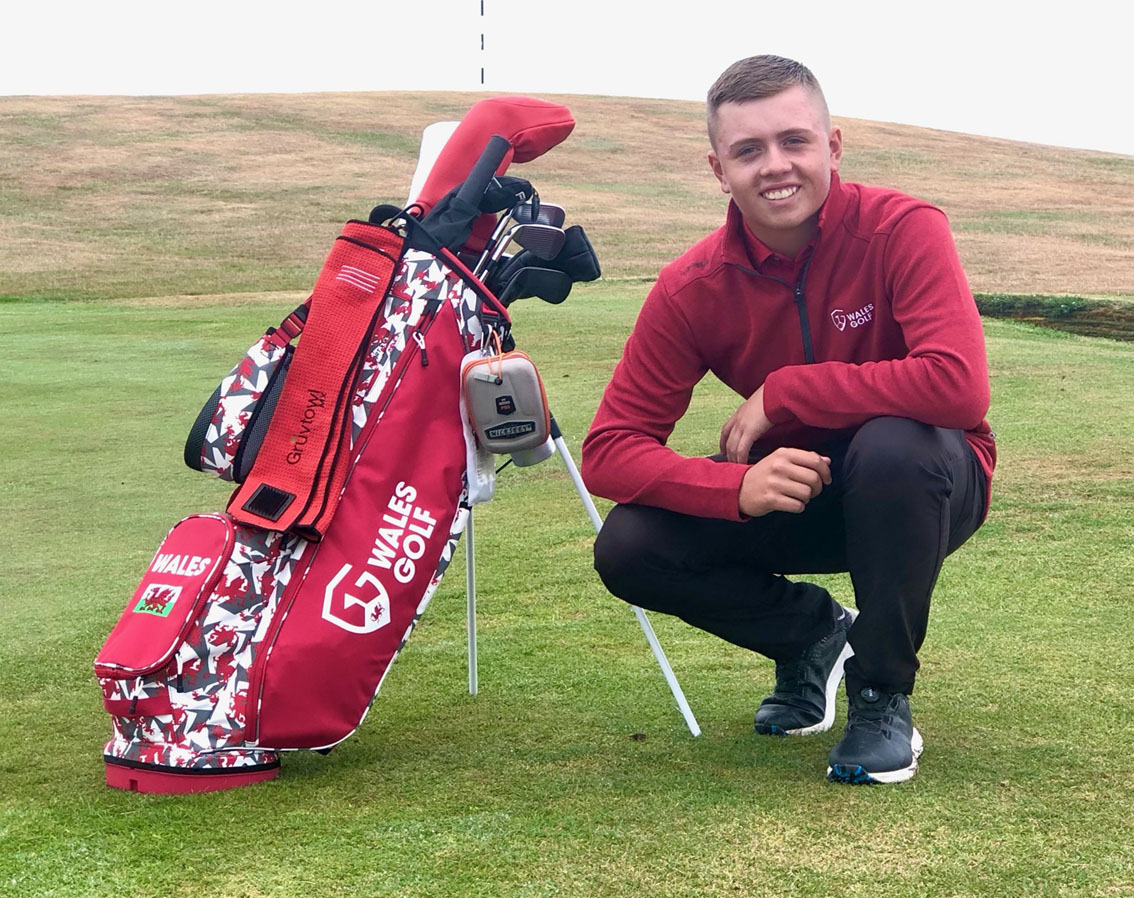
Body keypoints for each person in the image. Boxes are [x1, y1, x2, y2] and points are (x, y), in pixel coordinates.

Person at [580, 55, 995, 785]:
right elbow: (610, 450)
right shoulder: (690, 288)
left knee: (893, 445)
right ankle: (811, 637)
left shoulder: (903, 228)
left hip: (924, 488)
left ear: (831, 147)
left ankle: (881, 694)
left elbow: (958, 387)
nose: (775, 166)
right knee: (629, 545)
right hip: (799, 494)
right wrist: (733, 490)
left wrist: (789, 393)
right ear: (720, 170)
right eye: (748, 150)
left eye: (794, 141)